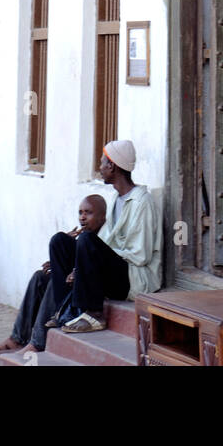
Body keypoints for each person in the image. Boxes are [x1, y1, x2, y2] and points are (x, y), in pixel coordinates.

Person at [50, 138, 162, 334]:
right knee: (60, 241)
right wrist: (82, 267)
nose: (100, 167)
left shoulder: (142, 202)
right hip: (117, 269)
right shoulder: (114, 199)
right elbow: (104, 245)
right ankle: (66, 311)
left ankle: (94, 314)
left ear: (112, 166)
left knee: (87, 240)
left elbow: (140, 255)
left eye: (102, 162)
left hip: (135, 278)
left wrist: (90, 263)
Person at [0, 194, 107, 356]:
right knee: (39, 278)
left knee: (51, 283)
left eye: (88, 213)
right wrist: (60, 259)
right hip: (76, 280)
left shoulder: (107, 235)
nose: (82, 218)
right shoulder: (82, 236)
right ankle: (18, 338)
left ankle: (38, 342)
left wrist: (73, 266)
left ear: (103, 217)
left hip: (95, 287)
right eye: (80, 213)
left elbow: (96, 264)